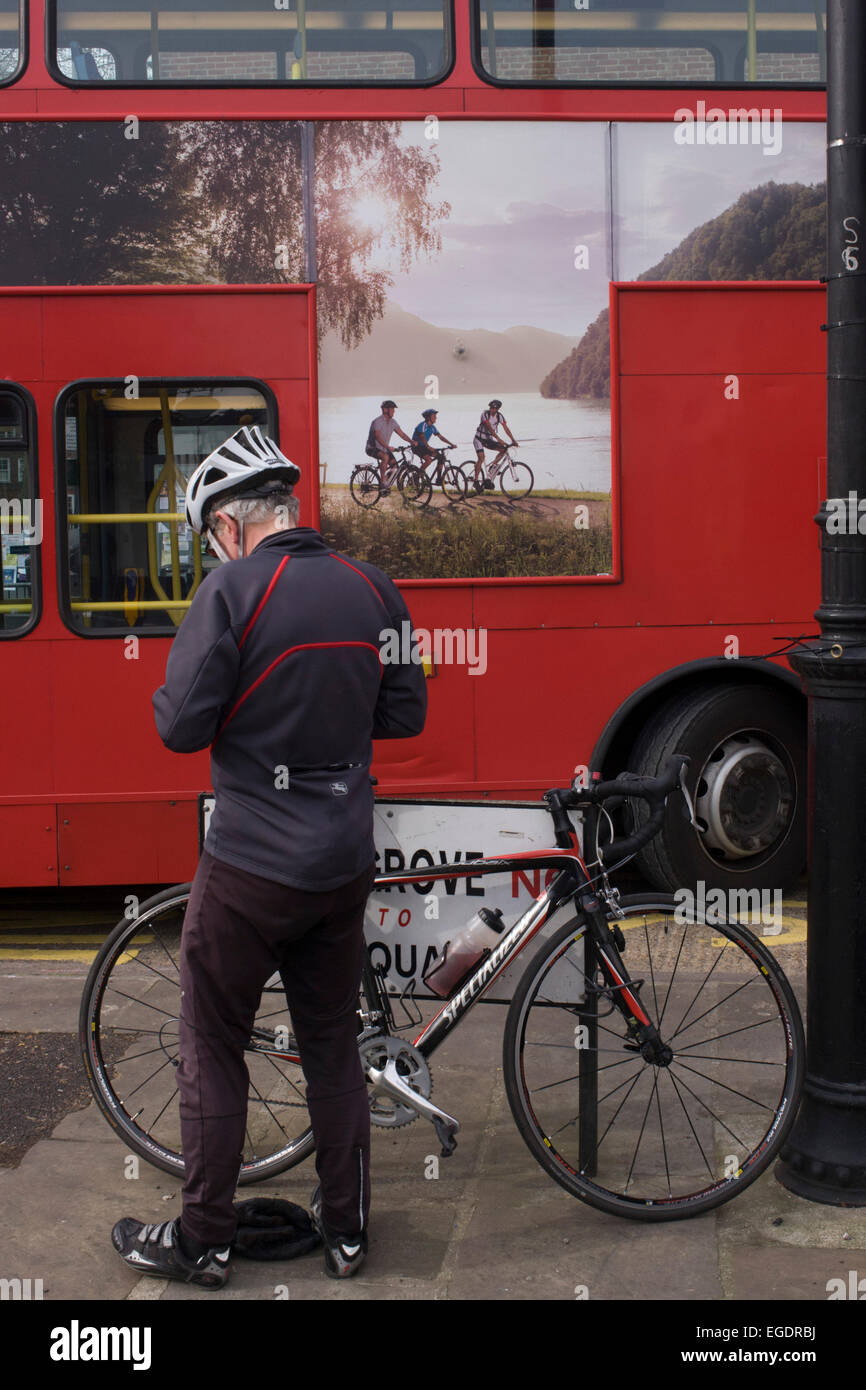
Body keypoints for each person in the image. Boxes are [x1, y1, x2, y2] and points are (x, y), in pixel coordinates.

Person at [110, 424, 427, 1287]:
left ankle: (204, 1241)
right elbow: (406, 717)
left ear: (227, 523)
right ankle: (349, 1232)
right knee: (331, 1042)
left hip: (250, 865)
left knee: (212, 1039)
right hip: (341, 862)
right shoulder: (374, 587)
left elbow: (179, 726)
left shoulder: (232, 592)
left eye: (210, 533)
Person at [365, 399, 413, 493]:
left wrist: (411, 441)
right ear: (385, 410)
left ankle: (386, 484)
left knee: (395, 467)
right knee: (385, 457)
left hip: (384, 448)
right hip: (372, 448)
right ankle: (383, 481)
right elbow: (377, 437)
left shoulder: (393, 422)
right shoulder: (377, 421)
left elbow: (402, 434)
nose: (394, 411)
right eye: (392, 409)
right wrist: (388, 447)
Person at [472, 398, 518, 491]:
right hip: (479, 439)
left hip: (488, 440)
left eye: (495, 408)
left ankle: (493, 467)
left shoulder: (499, 416)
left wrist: (513, 440)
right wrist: (499, 440)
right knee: (481, 458)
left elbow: (506, 428)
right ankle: (476, 481)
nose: (493, 410)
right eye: (492, 408)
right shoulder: (485, 414)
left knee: (503, 449)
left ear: (498, 409)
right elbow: (490, 428)